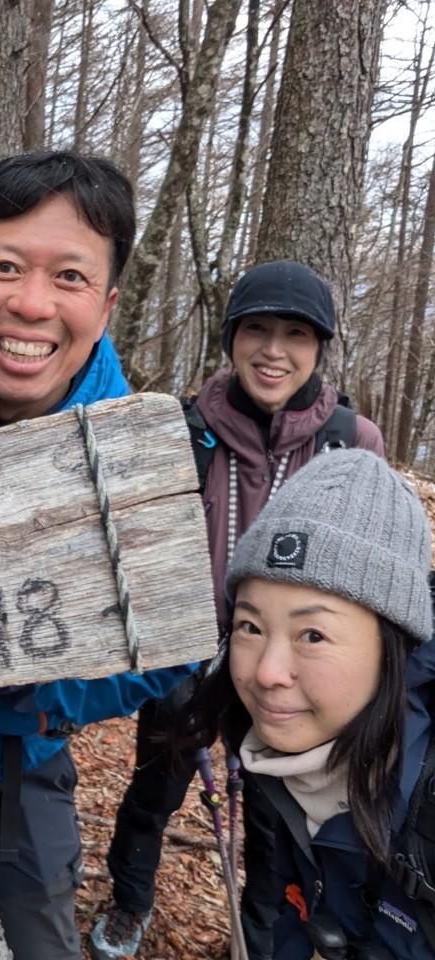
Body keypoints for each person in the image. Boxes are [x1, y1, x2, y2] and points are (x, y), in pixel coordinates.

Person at [90, 261, 385, 959]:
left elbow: (372, 579)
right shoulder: (184, 432)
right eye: (256, 330)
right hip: (186, 656)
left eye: (295, 334)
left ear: (320, 347)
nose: (273, 351)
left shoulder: (349, 443)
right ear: (231, 338)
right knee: (152, 794)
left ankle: (264, 938)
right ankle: (131, 902)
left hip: (290, 670)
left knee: (278, 820)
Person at [0, 150, 197, 959]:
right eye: (4, 266)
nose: (30, 305)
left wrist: (50, 695)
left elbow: (167, 648)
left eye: (70, 278)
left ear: (109, 301)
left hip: (20, 767)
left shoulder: (142, 456)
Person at [175, 449, 435, 958]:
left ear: (394, 647)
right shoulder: (294, 760)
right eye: (250, 626)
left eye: (312, 634)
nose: (267, 672)